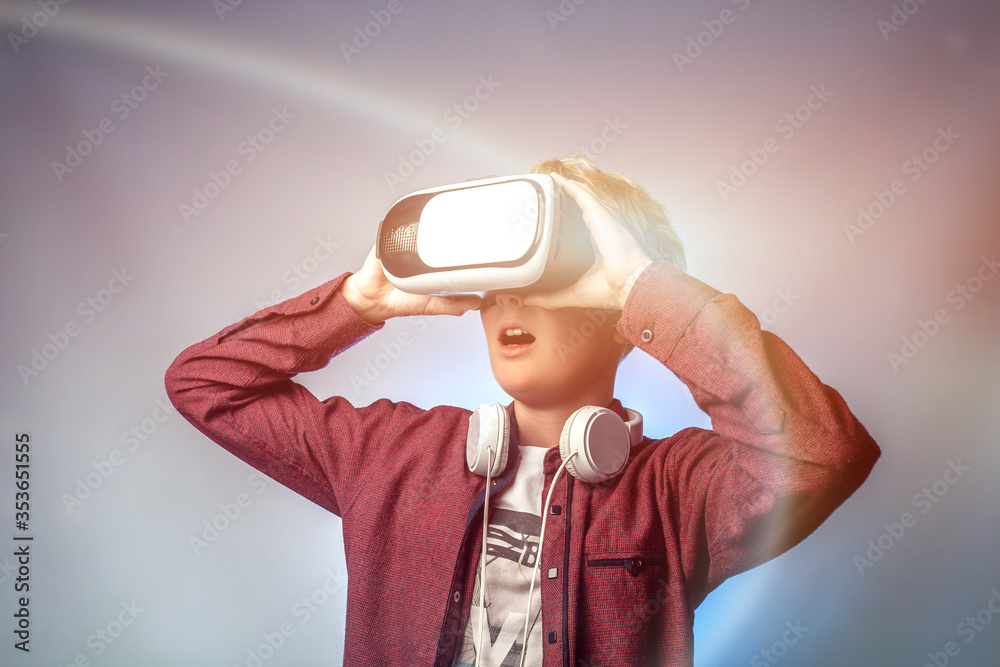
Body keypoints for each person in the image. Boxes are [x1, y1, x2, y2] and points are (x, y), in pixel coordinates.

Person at [165, 157, 880, 666]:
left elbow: (824, 453)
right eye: (499, 280)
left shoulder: (677, 489)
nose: (509, 300)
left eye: (549, 277)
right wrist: (360, 303)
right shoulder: (389, 453)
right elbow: (205, 382)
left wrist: (646, 287)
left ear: (621, 316)